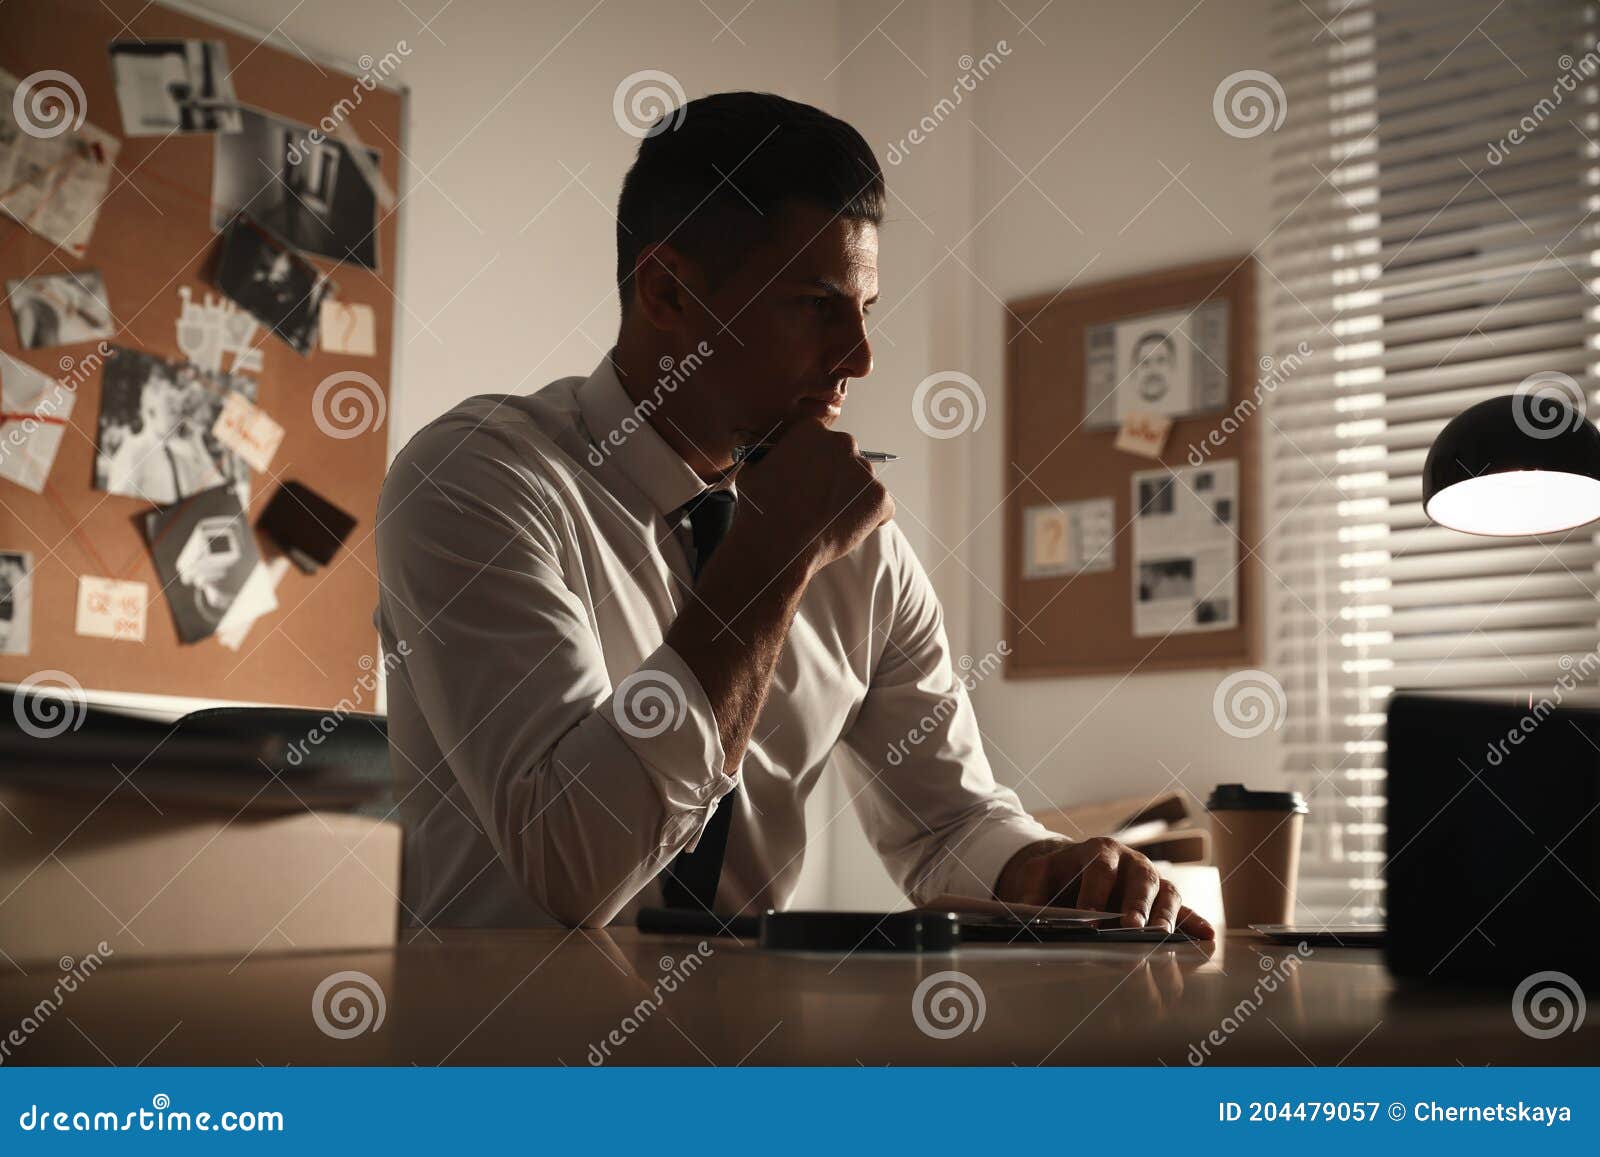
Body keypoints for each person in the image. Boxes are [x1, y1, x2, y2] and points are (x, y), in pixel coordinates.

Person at [374, 91, 1214, 938]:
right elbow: (573, 865)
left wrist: (1043, 866)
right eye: (816, 305)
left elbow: (948, 824)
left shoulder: (858, 548)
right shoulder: (474, 481)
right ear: (667, 291)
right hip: (504, 1050)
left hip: (753, 1049)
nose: (859, 357)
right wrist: (772, 560)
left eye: (866, 309)